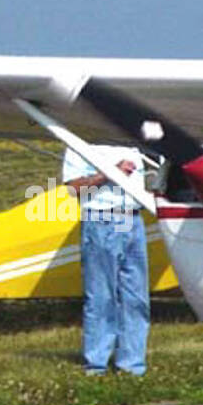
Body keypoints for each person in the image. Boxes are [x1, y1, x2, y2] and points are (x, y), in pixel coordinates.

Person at [62, 145, 150, 375]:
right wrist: (111, 173)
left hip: (133, 218)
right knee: (101, 295)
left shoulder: (132, 145)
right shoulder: (80, 146)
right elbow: (74, 189)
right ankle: (96, 364)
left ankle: (132, 365)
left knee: (136, 297)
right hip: (101, 218)